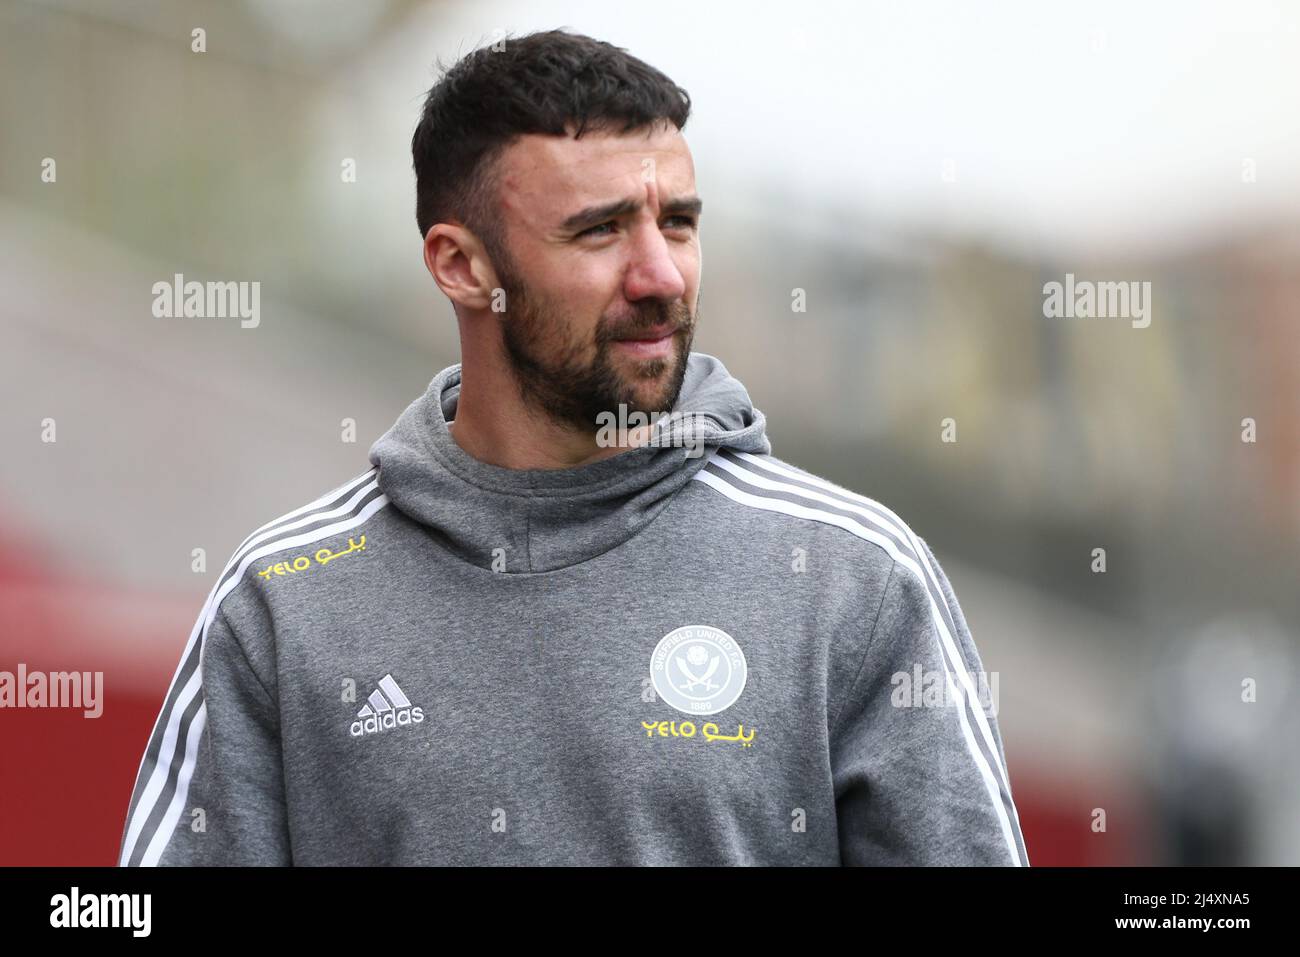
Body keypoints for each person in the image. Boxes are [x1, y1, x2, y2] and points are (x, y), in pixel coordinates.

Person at [118, 28, 1028, 867]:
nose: (661, 276)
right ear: (461, 266)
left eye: (677, 222)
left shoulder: (853, 579)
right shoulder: (286, 601)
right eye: (599, 230)